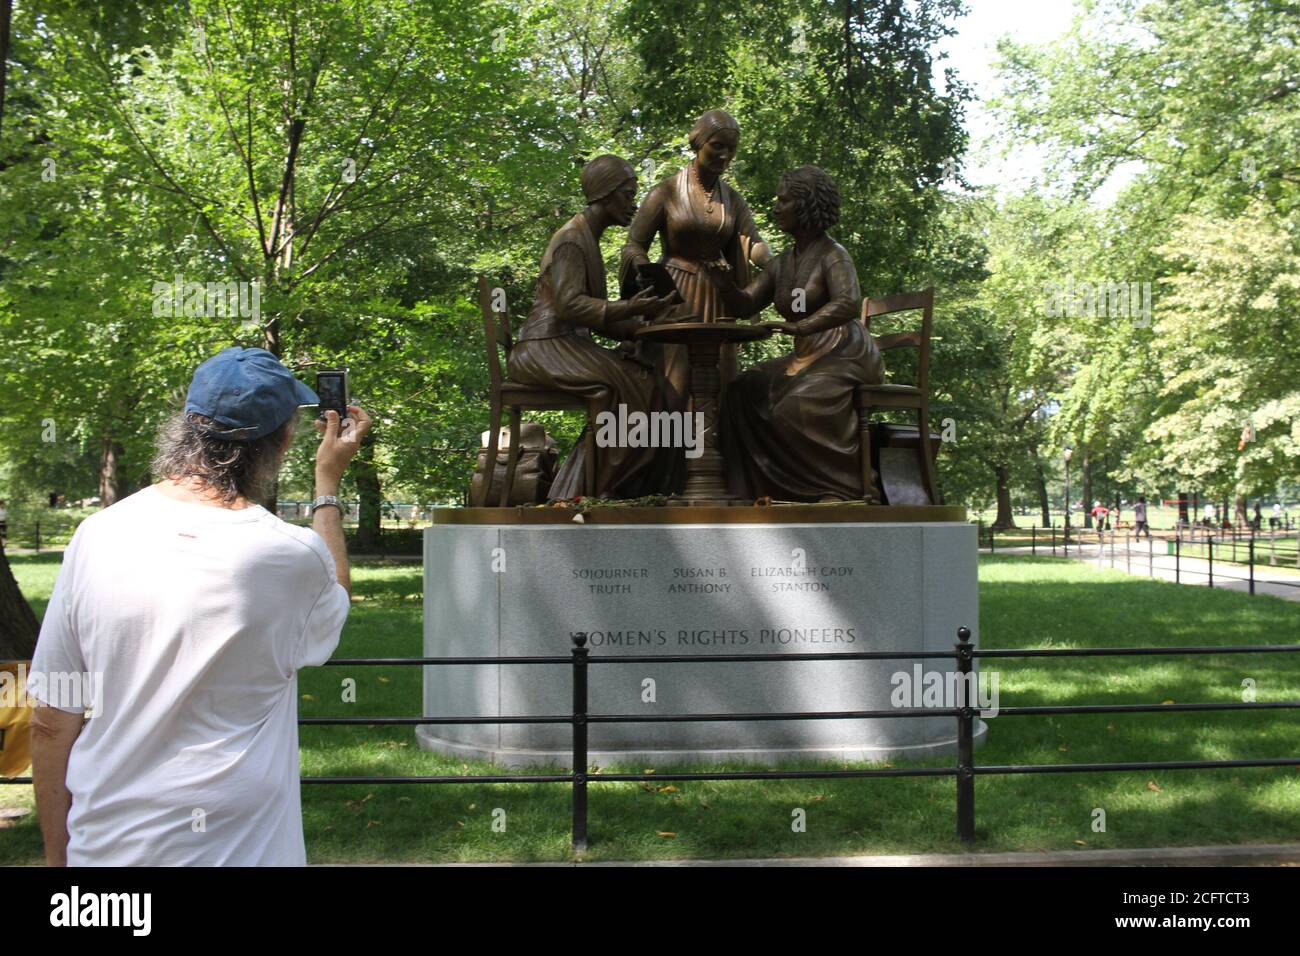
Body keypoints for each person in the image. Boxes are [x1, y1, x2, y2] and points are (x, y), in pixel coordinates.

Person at [29, 346, 372, 866]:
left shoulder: (96, 535)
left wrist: (58, 860)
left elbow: (53, 717)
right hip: (243, 847)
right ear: (281, 440)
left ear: (185, 426)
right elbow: (335, 595)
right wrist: (327, 484)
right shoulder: (292, 556)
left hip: (107, 848)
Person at [705, 165, 885, 502]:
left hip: (844, 351)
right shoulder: (782, 263)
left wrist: (801, 326)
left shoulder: (834, 255)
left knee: (795, 407)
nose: (776, 207)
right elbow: (746, 304)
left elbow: (848, 302)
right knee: (741, 391)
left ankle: (841, 489)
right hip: (805, 355)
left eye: (784, 201)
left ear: (806, 206)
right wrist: (726, 286)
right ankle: (760, 489)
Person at [506, 154, 680, 500]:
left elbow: (594, 315)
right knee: (631, 385)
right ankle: (598, 488)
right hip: (544, 346)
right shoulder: (573, 240)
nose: (633, 204)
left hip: (565, 342)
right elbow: (570, 305)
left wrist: (638, 327)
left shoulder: (588, 236)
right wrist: (632, 308)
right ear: (605, 193)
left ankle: (606, 484)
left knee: (646, 380)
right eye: (628, 195)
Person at [619, 109, 774, 417]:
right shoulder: (666, 191)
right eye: (717, 145)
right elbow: (634, 243)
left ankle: (714, 461)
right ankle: (673, 462)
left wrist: (773, 261)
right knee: (674, 388)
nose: (724, 155)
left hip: (718, 297)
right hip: (676, 298)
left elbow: (751, 241)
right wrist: (644, 270)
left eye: (731, 149)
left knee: (721, 387)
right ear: (698, 143)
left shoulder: (732, 199)